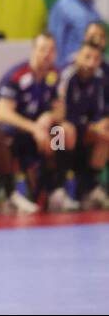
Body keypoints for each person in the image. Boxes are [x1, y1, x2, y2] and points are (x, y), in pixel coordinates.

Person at [0, 32, 60, 215]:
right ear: (34, 50)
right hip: (11, 131)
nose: (46, 55)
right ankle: (11, 194)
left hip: (36, 134)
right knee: (5, 137)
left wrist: (49, 116)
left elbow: (61, 109)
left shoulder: (53, 76)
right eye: (42, 49)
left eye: (51, 51)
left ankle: (56, 188)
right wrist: (34, 128)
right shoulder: (17, 75)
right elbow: (2, 113)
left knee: (61, 133)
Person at [53, 42, 109, 209]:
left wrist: (101, 123)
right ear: (77, 57)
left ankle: (89, 190)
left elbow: (98, 112)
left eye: (96, 59)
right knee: (63, 131)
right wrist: (89, 126)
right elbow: (61, 114)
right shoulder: (66, 75)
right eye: (87, 57)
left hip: (82, 130)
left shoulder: (99, 79)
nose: (90, 63)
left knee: (106, 134)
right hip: (56, 132)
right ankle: (57, 189)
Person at [48, 0, 102, 66]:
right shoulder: (62, 6)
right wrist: (59, 65)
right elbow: (56, 37)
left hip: (92, 62)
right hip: (69, 62)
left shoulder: (91, 5)